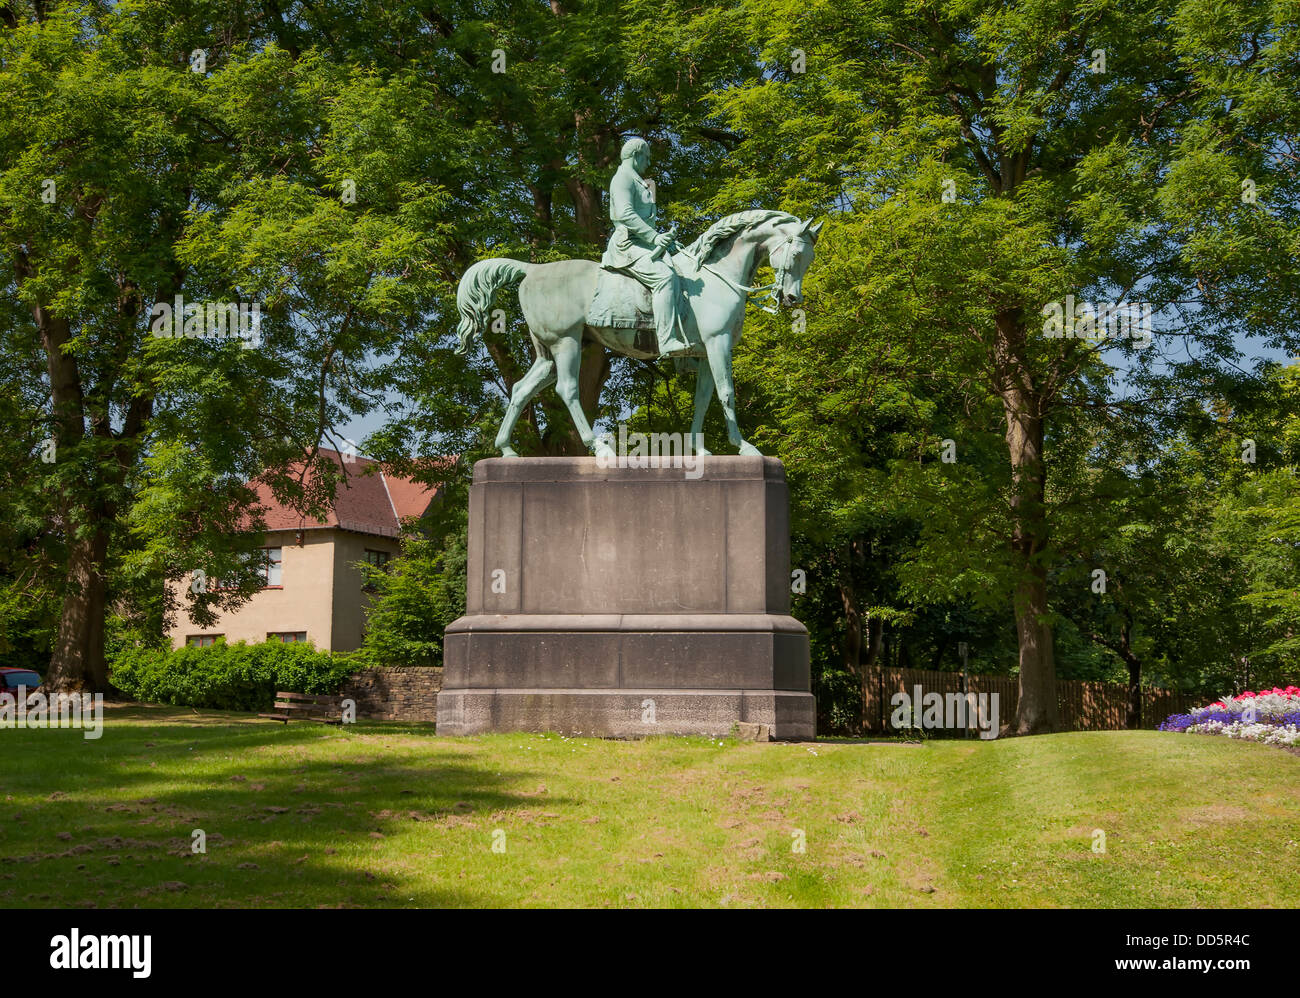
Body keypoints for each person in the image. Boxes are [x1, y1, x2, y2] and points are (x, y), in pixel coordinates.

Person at [601, 137, 691, 355]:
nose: (648, 163)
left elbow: (644, 219)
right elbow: (625, 214)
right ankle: (667, 340)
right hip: (627, 244)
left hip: (643, 243)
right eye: (647, 157)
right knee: (665, 278)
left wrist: (664, 241)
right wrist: (654, 237)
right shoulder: (622, 178)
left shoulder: (638, 180)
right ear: (636, 155)